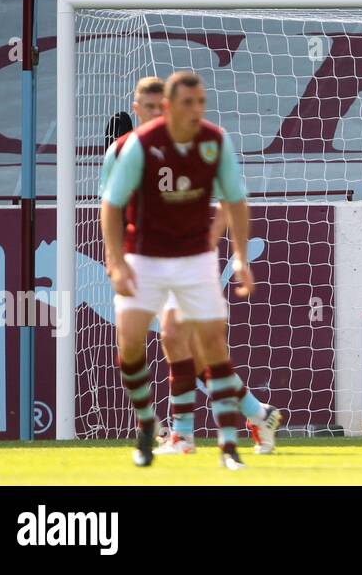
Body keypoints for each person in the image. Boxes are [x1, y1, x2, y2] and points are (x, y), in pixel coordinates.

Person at [101, 77, 281, 457]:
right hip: (144, 259)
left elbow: (227, 200)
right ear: (138, 110)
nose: (155, 114)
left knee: (177, 338)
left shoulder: (197, 145)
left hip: (186, 259)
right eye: (147, 108)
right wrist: (115, 259)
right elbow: (111, 207)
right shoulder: (124, 153)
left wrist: (216, 242)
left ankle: (183, 435)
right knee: (173, 346)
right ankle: (255, 412)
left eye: (159, 107)